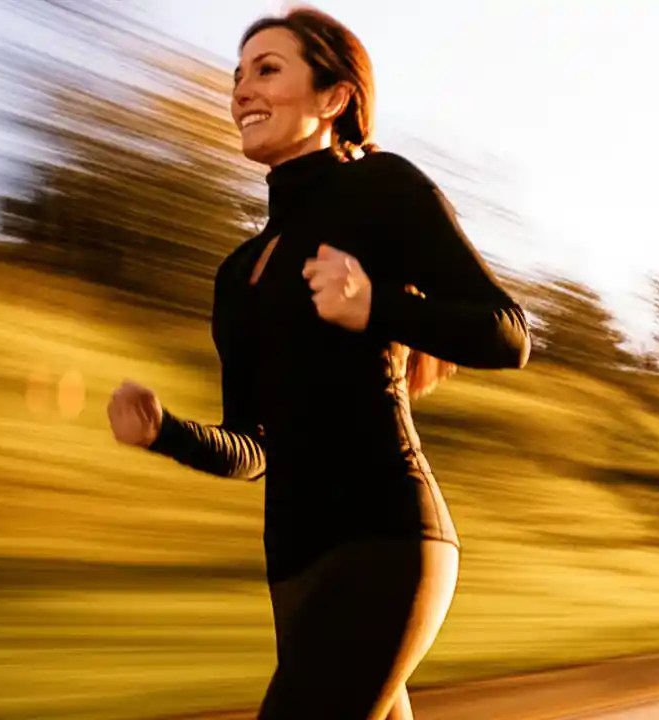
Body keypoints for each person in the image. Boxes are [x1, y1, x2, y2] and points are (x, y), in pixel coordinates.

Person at [105, 7, 531, 718]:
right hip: (297, 574)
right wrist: (166, 433)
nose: (242, 89)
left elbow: (508, 334)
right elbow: (256, 447)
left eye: (268, 70)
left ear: (334, 99)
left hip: (387, 542)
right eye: (237, 76)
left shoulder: (384, 188)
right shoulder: (237, 274)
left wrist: (376, 307)